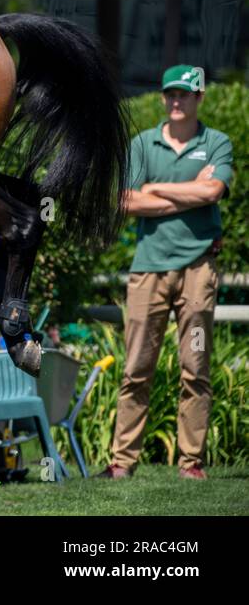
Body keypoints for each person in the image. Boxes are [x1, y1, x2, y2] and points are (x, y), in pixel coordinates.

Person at [98, 65, 233, 481]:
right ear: (163, 98)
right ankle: (122, 462)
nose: (177, 101)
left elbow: (213, 191)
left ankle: (191, 462)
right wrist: (187, 194)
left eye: (185, 95)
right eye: (171, 94)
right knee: (136, 367)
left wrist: (155, 190)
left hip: (198, 271)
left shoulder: (217, 142)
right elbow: (125, 202)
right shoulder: (143, 143)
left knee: (195, 367)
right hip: (149, 270)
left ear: (199, 99)